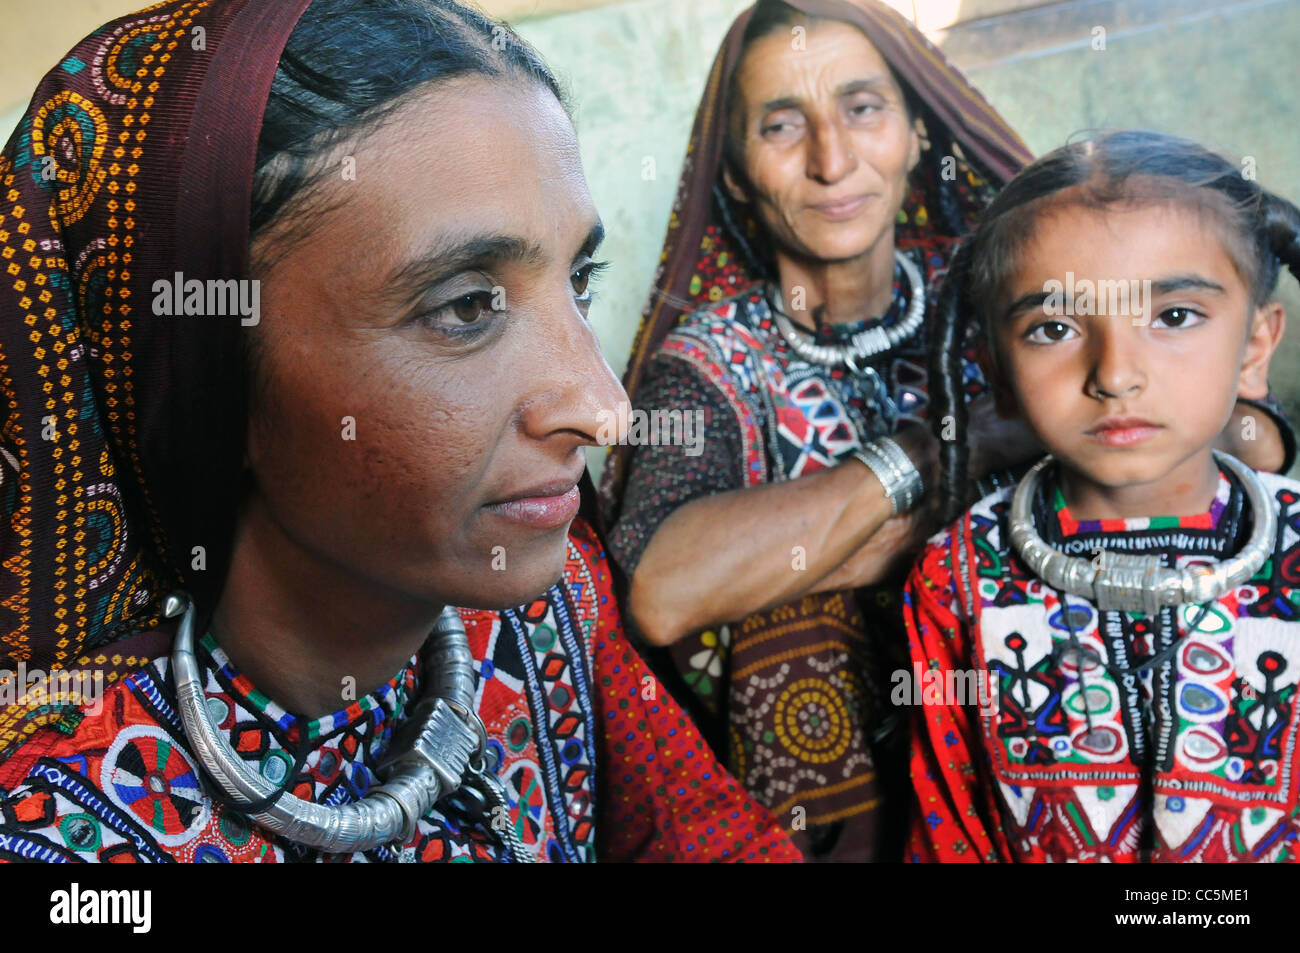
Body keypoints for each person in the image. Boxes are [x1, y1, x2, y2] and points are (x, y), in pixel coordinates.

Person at [0, 0, 800, 864]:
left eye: (580, 277)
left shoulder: (546, 606)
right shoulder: (63, 837)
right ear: (209, 382)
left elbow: (712, 836)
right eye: (464, 307)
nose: (605, 409)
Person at [598, 0, 1294, 861]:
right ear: (735, 172)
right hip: (855, 768)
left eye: (863, 108)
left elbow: (1248, 445)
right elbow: (662, 595)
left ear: (917, 133)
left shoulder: (1007, 285)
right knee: (799, 622)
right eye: (782, 125)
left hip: (1072, 674)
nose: (832, 158)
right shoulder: (707, 361)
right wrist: (931, 456)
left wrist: (830, 541)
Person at [907, 130, 1300, 862]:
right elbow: (949, 831)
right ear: (995, 371)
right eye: (1053, 328)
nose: (1115, 374)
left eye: (1174, 317)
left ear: (1254, 348)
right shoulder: (953, 577)